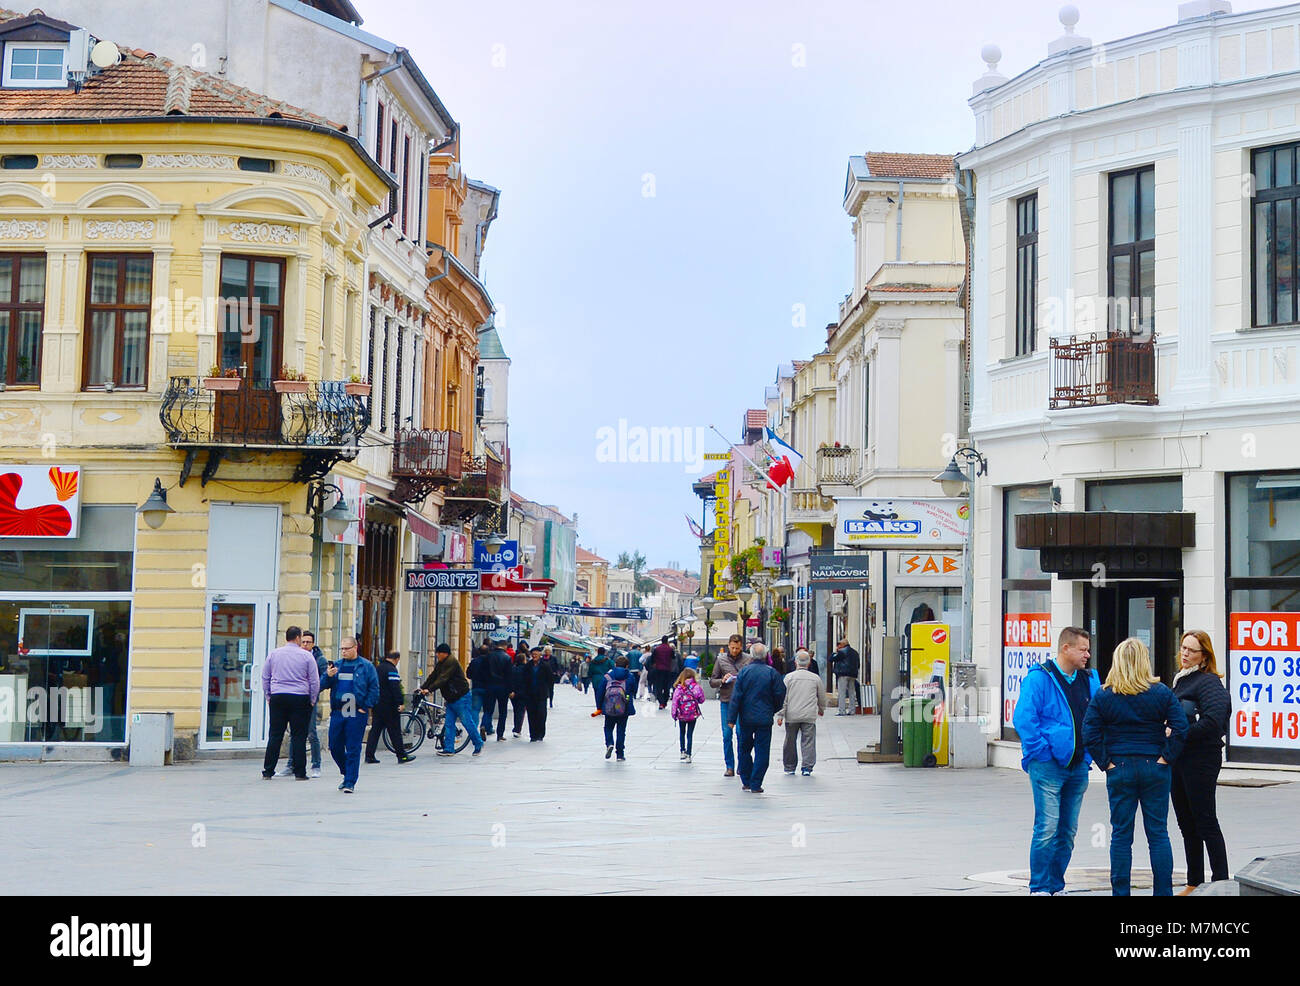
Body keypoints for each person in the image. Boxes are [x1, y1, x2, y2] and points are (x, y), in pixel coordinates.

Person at [1083, 637, 1188, 897]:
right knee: (1158, 834)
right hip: (1155, 765)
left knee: (1120, 835)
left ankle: (1121, 892)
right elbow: (1181, 726)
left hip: (1119, 766)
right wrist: (1167, 757)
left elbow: (1090, 731)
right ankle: (1163, 893)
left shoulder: (1105, 694)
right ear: (1144, 661)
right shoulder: (1161, 692)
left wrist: (1105, 762)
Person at [1013, 626, 1100, 895]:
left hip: (1078, 767)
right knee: (1047, 828)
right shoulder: (1040, 678)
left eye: (1088, 650)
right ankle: (1039, 887)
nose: (1088, 655)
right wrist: (1041, 752)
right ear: (1066, 648)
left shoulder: (1090, 680)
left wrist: (1086, 757)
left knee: (1067, 833)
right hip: (1047, 766)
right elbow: (1024, 718)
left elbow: (1096, 719)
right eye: (1083, 649)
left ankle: (1055, 885)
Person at [1170, 630, 1231, 894]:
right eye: (1183, 648)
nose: (1184, 654)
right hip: (1179, 759)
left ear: (1204, 656)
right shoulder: (1181, 681)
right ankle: (1194, 882)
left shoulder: (1208, 683)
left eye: (1191, 650)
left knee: (1205, 820)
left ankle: (1220, 883)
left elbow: (1214, 722)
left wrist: (1179, 733)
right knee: (1186, 823)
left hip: (1201, 759)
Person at [321, 636, 380, 793]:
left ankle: (349, 782)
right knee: (334, 746)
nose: (344, 651)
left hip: (356, 711)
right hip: (338, 712)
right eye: (342, 649)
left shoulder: (366, 666)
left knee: (353, 747)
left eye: (347, 648)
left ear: (355, 648)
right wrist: (328, 676)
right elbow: (321, 685)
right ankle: (346, 771)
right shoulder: (337, 666)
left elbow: (374, 688)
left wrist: (366, 706)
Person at [261, 625, 320, 781]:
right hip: (300, 697)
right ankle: (300, 772)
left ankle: (268, 770)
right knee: (299, 736)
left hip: (278, 696)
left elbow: (265, 677)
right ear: (298, 638)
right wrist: (312, 699)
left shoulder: (274, 654)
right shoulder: (307, 656)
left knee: (275, 734)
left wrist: (269, 695)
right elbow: (314, 681)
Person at [727, 642, 786, 793]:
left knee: (744, 748)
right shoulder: (772, 673)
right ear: (766, 655)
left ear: (751, 655)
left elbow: (736, 697)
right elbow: (780, 694)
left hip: (746, 718)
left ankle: (746, 780)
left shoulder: (744, 672)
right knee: (762, 750)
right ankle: (756, 783)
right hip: (764, 718)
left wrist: (732, 719)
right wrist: (773, 709)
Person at [420, 643, 484, 758]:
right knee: (449, 724)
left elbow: (442, 679)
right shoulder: (441, 663)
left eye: (439, 653)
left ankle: (478, 743)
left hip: (461, 697)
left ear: (445, 653)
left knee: (467, 722)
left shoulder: (451, 662)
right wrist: (423, 688)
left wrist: (429, 690)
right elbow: (433, 676)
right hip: (451, 698)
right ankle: (449, 748)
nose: (437, 655)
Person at [778, 649, 826, 776]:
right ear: (809, 663)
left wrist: (781, 714)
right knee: (808, 741)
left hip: (792, 715)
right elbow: (821, 696)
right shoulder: (815, 678)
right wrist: (821, 709)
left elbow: (784, 697)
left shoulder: (788, 678)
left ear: (795, 662)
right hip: (809, 714)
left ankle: (789, 767)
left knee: (790, 741)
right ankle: (807, 767)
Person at [365, 651, 415, 765]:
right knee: (395, 731)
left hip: (378, 704)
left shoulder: (378, 668)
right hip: (390, 705)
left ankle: (369, 755)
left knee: (375, 730)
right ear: (396, 659)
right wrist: (400, 702)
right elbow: (395, 687)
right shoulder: (391, 670)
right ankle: (402, 756)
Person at [710, 634, 749, 777]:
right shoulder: (721, 660)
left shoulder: (748, 659)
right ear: (728, 645)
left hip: (743, 702)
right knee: (727, 735)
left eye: (737, 648)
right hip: (726, 701)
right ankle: (729, 766)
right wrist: (722, 680)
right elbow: (712, 681)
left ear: (741, 646)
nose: (734, 651)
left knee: (741, 734)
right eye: (732, 648)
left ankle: (741, 765)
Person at [595, 654, 638, 761]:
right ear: (627, 666)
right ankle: (620, 754)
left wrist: (599, 707)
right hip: (624, 707)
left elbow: (600, 692)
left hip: (609, 707)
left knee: (608, 727)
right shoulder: (630, 676)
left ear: (615, 664)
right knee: (621, 730)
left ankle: (609, 743)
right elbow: (634, 690)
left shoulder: (608, 676)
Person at [298, 630, 327, 777]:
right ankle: (292, 764)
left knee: (311, 732)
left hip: (310, 699)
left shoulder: (319, 659)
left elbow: (323, 680)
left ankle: (316, 764)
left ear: (313, 644)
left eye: (308, 642)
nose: (305, 644)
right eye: (303, 642)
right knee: (295, 734)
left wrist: (313, 691)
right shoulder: (296, 655)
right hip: (296, 698)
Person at [670, 667, 706, 762]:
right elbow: (702, 699)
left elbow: (675, 702)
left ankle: (682, 751)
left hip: (682, 714)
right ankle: (689, 755)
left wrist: (674, 714)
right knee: (690, 734)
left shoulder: (679, 688)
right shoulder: (696, 687)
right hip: (692, 714)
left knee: (682, 732)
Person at [483, 639, 513, 741]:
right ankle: (500, 734)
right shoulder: (507, 658)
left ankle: (484, 725)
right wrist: (510, 690)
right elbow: (509, 676)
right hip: (503, 687)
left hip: (490, 686)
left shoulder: (489, 656)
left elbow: (484, 672)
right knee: (502, 712)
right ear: (505, 646)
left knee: (488, 710)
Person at [525, 646, 555, 741]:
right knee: (531, 714)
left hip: (541, 694)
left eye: (536, 654)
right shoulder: (528, 666)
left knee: (541, 714)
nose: (534, 656)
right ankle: (533, 735)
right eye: (533, 654)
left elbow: (550, 679)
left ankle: (540, 734)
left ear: (540, 655)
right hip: (530, 694)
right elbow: (523, 679)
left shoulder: (545, 666)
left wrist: (549, 691)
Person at [466, 644, 491, 739]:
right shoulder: (490, 661)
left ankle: (474, 729)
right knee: (488, 710)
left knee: (475, 710)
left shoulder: (474, 661)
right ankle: (484, 725)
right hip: (488, 688)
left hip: (476, 687)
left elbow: (468, 674)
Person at [832, 637, 860, 716]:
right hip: (853, 675)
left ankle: (842, 711)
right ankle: (852, 710)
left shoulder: (841, 652)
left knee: (842, 692)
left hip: (843, 674)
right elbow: (858, 664)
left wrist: (835, 652)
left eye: (839, 644)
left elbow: (831, 659)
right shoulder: (855, 652)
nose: (838, 646)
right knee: (852, 693)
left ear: (843, 644)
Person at [649, 635, 676, 708]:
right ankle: (665, 702)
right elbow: (673, 657)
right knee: (666, 686)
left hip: (658, 670)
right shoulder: (670, 649)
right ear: (667, 641)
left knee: (659, 687)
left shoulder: (657, 649)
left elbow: (652, 659)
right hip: (667, 670)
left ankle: (661, 702)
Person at [508, 650, 530, 738]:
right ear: (524, 660)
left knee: (516, 710)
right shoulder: (526, 669)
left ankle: (516, 728)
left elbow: (509, 680)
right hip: (523, 693)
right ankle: (517, 729)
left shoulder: (513, 668)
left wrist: (511, 691)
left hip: (513, 693)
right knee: (520, 711)